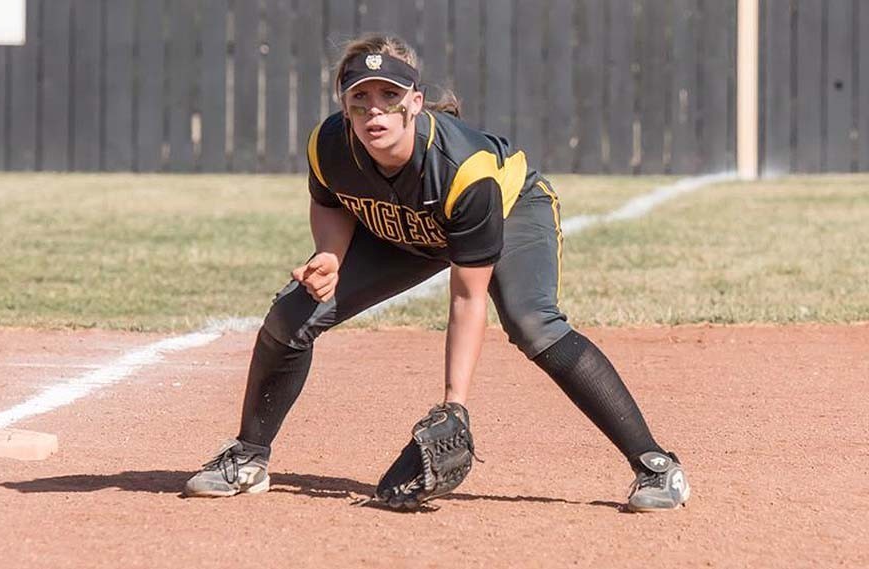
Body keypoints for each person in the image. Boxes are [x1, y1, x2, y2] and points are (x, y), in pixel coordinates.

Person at [184, 34, 690, 512]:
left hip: (509, 211)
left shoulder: (464, 170)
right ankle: (248, 458)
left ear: (415, 102)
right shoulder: (329, 145)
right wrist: (330, 254)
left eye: (390, 95)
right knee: (292, 314)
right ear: (345, 106)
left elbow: (467, 300)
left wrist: (455, 404)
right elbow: (331, 201)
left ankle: (656, 466)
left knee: (532, 322)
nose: (374, 110)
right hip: (409, 225)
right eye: (360, 98)